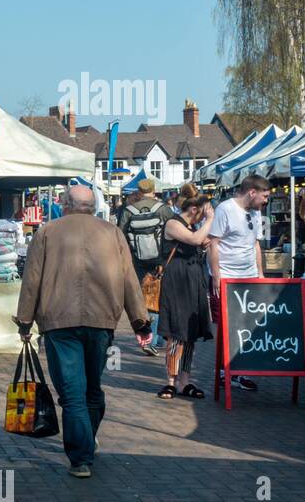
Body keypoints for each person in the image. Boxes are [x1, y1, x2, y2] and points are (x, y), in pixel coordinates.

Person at [15, 184, 153, 478]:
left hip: (58, 322)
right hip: (101, 320)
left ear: (65, 204)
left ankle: (80, 457)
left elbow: (32, 281)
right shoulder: (112, 232)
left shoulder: (47, 232)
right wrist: (140, 321)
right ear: (93, 207)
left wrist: (25, 321)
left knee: (72, 393)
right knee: (91, 388)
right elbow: (129, 278)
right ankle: (85, 442)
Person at [208, 174, 270, 392]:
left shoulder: (256, 212)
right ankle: (224, 371)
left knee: (247, 324)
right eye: (264, 196)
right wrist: (217, 276)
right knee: (226, 325)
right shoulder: (225, 209)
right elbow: (213, 243)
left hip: (249, 276)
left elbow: (255, 244)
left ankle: (240, 372)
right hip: (226, 276)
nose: (266, 201)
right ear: (252, 192)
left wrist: (260, 274)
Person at [156, 194, 214, 399]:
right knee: (176, 332)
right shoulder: (173, 223)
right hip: (176, 282)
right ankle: (170, 381)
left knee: (190, 333)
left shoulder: (191, 227)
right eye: (204, 211)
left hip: (193, 281)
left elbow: (201, 241)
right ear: (195, 209)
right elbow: (195, 240)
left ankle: (184, 381)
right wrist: (209, 221)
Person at [119, 177, 174, 357]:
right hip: (160, 260)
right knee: (158, 298)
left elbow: (120, 235)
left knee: (144, 298)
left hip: (137, 260)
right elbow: (173, 230)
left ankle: (146, 337)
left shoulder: (129, 211)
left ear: (139, 191)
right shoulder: (163, 209)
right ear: (154, 189)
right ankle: (156, 338)